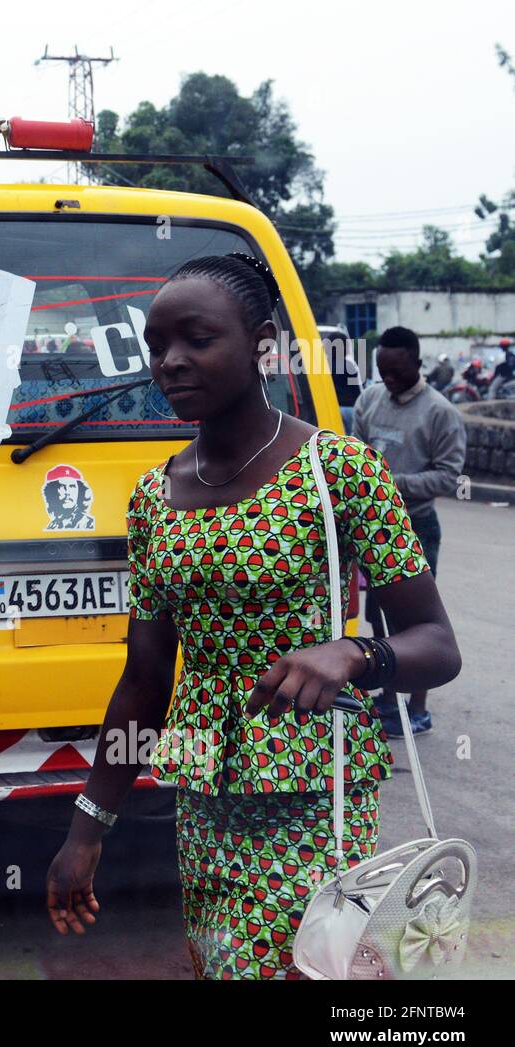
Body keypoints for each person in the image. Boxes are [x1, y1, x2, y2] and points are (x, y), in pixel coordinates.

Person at [45, 253, 461, 980]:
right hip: (206, 796)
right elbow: (143, 683)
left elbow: (438, 645)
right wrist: (88, 828)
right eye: (156, 346)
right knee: (221, 965)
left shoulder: (339, 471)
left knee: (302, 969)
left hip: (315, 794)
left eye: (196, 340)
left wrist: (355, 656)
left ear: (262, 342)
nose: (170, 362)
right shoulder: (154, 498)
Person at [350, 326, 466, 737]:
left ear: (417, 364)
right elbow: (356, 451)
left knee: (416, 621)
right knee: (377, 611)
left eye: (397, 370)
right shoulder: (370, 399)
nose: (389, 378)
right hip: (372, 525)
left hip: (416, 523)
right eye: (383, 370)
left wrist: (389, 482)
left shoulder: (439, 412)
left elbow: (449, 476)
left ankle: (417, 708)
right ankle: (388, 695)